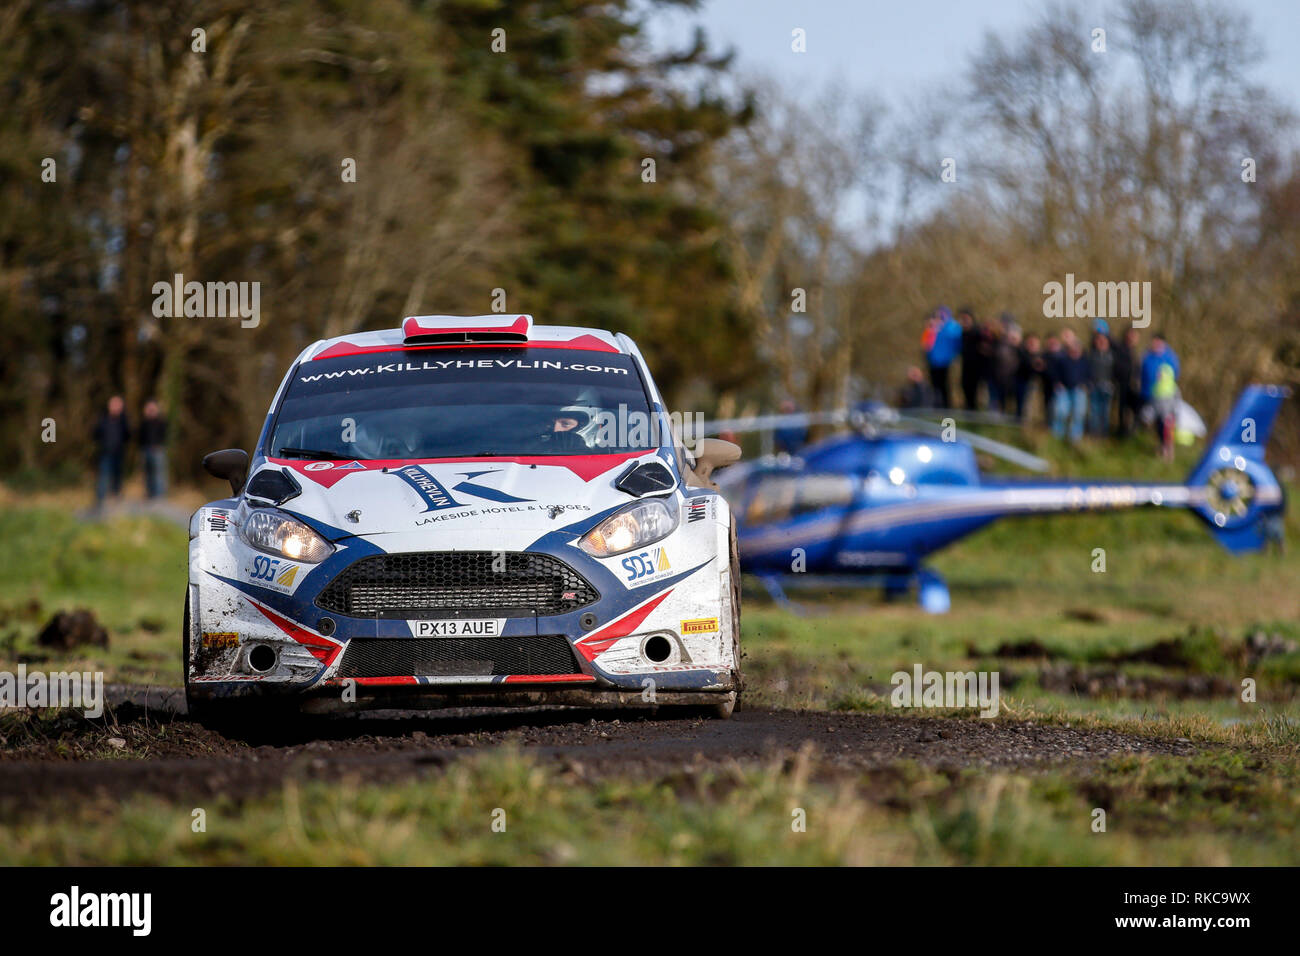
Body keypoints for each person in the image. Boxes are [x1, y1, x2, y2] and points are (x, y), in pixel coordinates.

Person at [1140, 333, 1181, 454]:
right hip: (1151, 395)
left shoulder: (1170, 357)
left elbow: (1176, 375)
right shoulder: (1147, 357)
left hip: (1167, 399)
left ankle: (1168, 448)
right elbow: (1142, 376)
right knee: (1157, 426)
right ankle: (1160, 447)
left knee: (1166, 428)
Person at [92, 395, 131, 507]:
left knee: (117, 477)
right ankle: (100, 501)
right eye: (113, 404)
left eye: (118, 405)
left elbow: (128, 435)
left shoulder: (123, 420)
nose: (115, 407)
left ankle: (116, 499)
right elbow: (95, 433)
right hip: (105, 452)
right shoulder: (103, 418)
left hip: (119, 452)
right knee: (103, 476)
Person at [1052, 332, 1089, 443]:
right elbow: (1056, 374)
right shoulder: (1062, 360)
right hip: (1064, 391)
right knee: (1060, 412)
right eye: (1073, 347)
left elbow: (1089, 375)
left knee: (1078, 414)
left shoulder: (1084, 361)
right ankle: (1057, 436)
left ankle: (1075, 437)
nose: (1075, 349)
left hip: (1079, 390)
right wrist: (1058, 383)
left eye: (1077, 347)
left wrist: (1085, 385)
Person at [924, 306, 962, 408]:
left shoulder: (952, 327)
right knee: (935, 384)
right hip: (933, 361)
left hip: (946, 361)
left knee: (944, 385)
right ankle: (937, 405)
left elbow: (956, 342)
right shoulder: (933, 328)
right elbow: (926, 344)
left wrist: (953, 356)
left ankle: (946, 406)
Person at [1112, 326, 1140, 437]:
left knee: (1135, 410)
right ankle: (1121, 431)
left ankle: (1132, 432)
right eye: (1131, 335)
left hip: (1135, 386)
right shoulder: (1121, 348)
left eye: (1135, 335)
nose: (1133, 338)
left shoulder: (1137, 352)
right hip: (1122, 384)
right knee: (1122, 409)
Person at [1086, 327, 1115, 436]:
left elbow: (1115, 372)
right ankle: (1094, 433)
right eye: (1098, 340)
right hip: (1094, 386)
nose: (1101, 342)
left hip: (1107, 387)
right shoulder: (1091, 355)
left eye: (1103, 340)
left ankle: (1104, 433)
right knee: (1094, 411)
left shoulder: (1112, 355)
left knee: (1105, 411)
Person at [138, 399, 169, 499]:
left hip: (158, 450)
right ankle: (149, 495)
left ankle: (159, 497)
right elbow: (139, 437)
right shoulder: (143, 423)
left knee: (159, 474)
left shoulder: (161, 421)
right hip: (145, 449)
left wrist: (158, 445)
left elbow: (164, 435)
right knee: (147, 474)